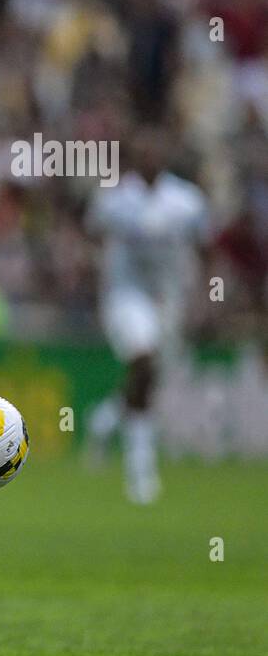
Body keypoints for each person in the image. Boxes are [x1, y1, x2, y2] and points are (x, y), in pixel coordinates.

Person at [86, 126, 211, 503]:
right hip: (126, 294)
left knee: (151, 377)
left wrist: (207, 295)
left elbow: (206, 248)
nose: (150, 159)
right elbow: (89, 237)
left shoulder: (187, 201)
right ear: (134, 159)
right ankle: (141, 471)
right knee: (143, 363)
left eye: (156, 152)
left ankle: (106, 419)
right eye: (143, 153)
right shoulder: (114, 200)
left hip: (169, 297)